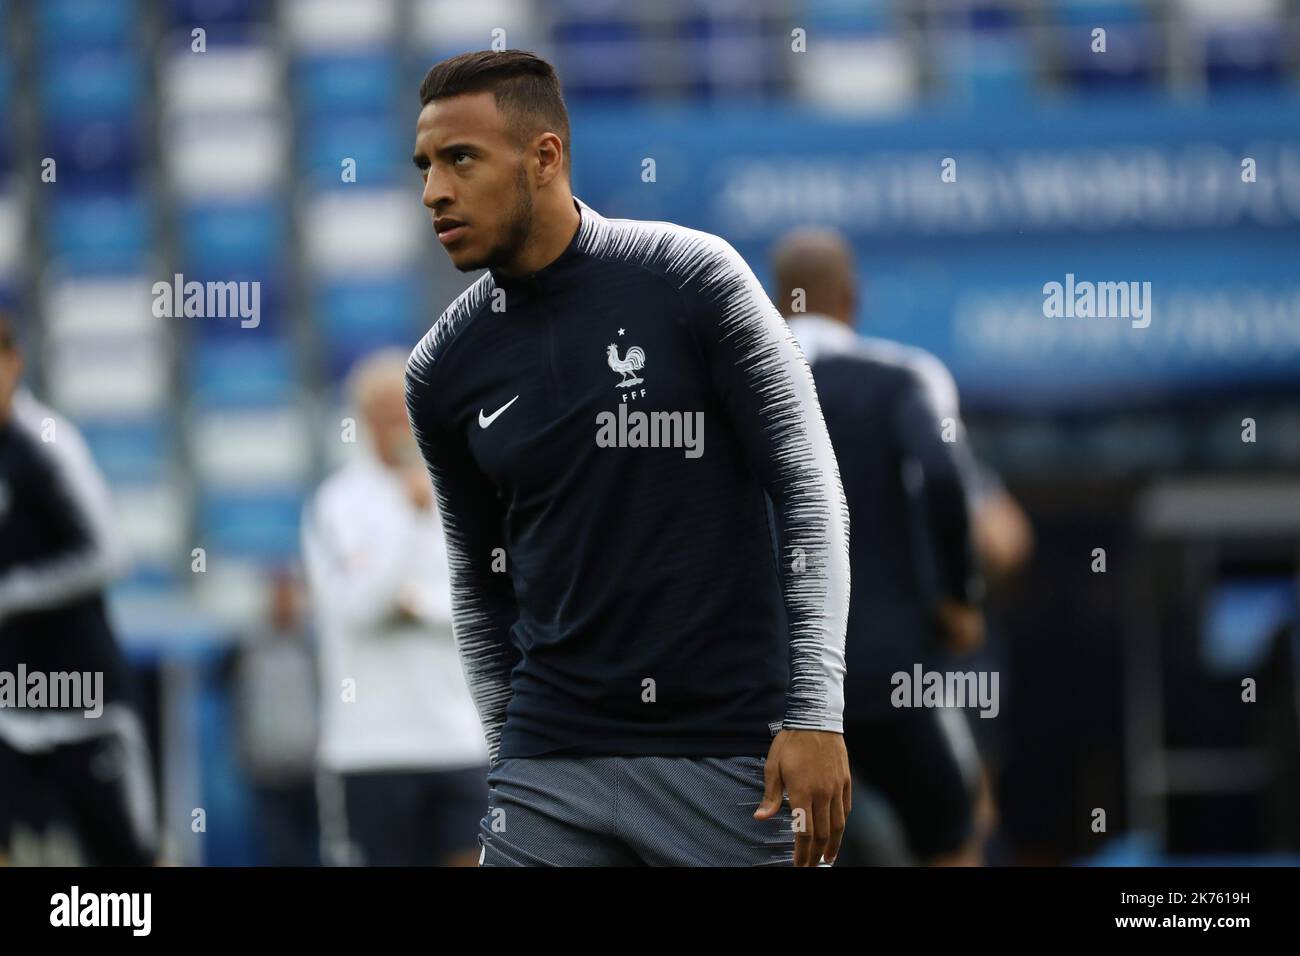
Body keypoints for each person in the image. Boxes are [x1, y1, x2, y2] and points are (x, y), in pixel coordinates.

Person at [406, 50, 851, 867]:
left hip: (725, 761)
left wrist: (817, 711)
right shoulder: (440, 370)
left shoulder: (692, 275)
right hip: (547, 768)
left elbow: (809, 489)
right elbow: (479, 582)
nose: (435, 190)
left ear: (545, 157)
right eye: (426, 165)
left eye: (461, 159)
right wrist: (509, 756)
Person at [772, 228, 986, 866]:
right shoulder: (903, 377)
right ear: (852, 297)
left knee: (787, 847)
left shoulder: (738, 382)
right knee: (951, 830)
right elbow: (944, 475)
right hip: (888, 667)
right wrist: (958, 597)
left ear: (778, 298)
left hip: (775, 677)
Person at [302, 348, 489, 867]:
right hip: (370, 748)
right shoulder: (339, 503)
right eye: (381, 415)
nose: (395, 427)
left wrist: (421, 608)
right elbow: (355, 607)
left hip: (457, 741)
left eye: (402, 411)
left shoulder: (465, 489)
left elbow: (488, 602)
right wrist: (410, 521)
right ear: (361, 421)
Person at [0, 311, 157, 865]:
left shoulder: (45, 440)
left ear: (13, 363)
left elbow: (109, 553)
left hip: (85, 697)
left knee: (123, 866)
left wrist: (14, 594)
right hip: (12, 705)